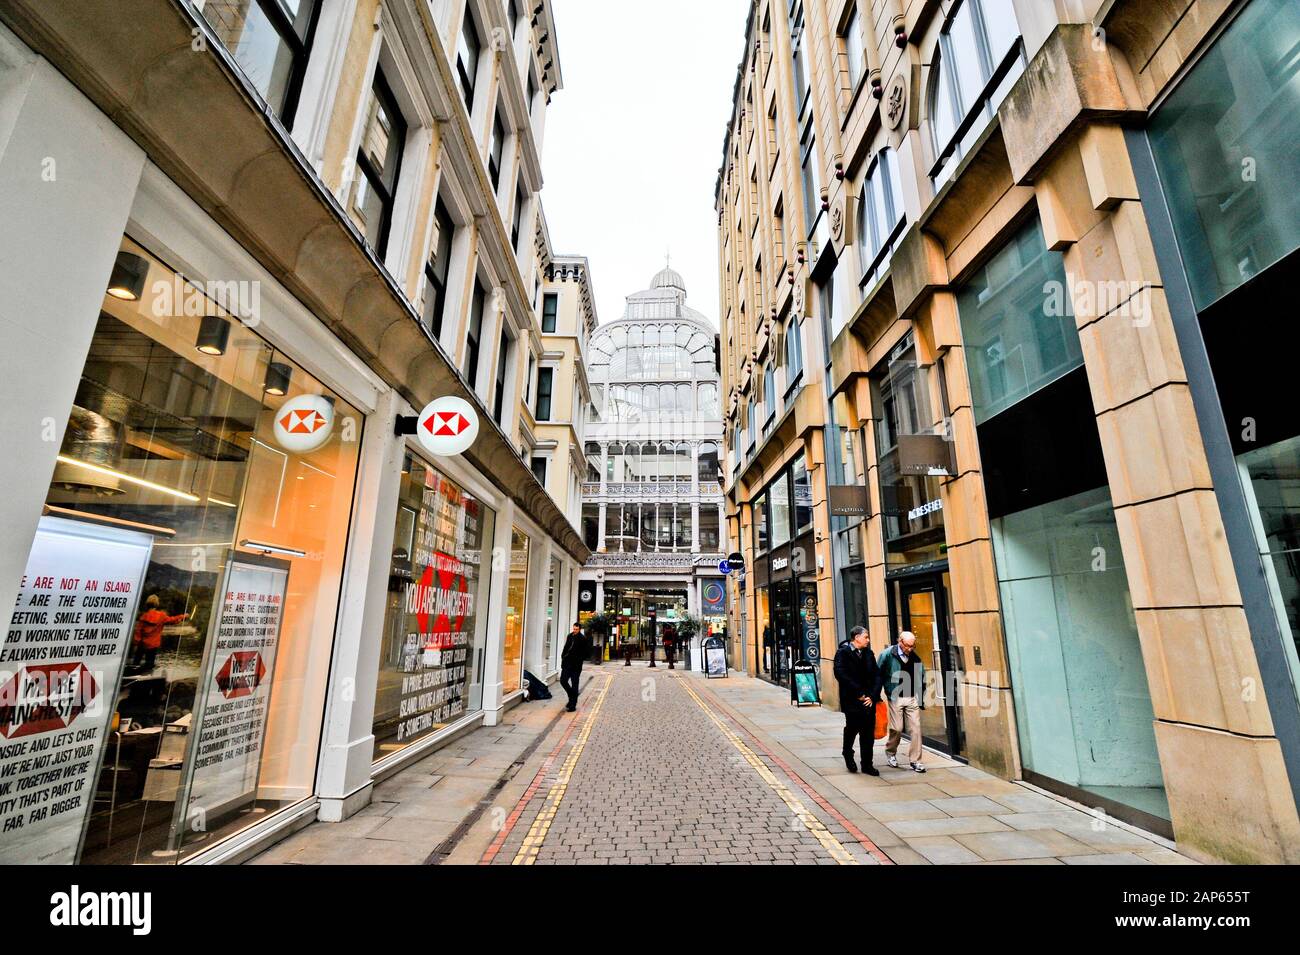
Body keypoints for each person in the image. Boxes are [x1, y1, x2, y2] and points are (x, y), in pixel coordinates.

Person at [833, 626, 882, 775]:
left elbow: (877, 675)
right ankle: (848, 753)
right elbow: (841, 674)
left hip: (868, 700)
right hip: (852, 700)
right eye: (866, 637)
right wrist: (858, 693)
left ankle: (867, 765)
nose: (868, 640)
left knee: (868, 734)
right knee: (852, 729)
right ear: (856, 637)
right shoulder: (843, 653)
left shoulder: (868, 653)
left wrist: (872, 696)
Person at [878, 630, 926, 772]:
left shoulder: (915, 657)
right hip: (895, 696)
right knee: (897, 728)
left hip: (911, 697)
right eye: (907, 646)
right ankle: (890, 752)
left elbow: (921, 678)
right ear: (900, 642)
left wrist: (921, 698)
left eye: (912, 646)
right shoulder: (887, 654)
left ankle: (915, 761)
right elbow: (877, 674)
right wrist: (876, 694)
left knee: (916, 729)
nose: (910, 649)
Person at [130, 594, 187, 672]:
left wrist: (136, 644)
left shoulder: (143, 616)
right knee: (149, 664)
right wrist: (183, 616)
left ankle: (133, 671)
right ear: (157, 604)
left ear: (147, 604)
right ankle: (147, 672)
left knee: (136, 662)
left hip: (142, 644)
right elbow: (172, 620)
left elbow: (138, 632)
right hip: (153, 645)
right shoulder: (161, 616)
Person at [558, 622, 591, 712]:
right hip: (567, 664)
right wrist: (563, 657)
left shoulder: (583, 638)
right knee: (563, 680)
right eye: (574, 629)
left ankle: (573, 705)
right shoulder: (569, 636)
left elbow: (587, 653)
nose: (575, 631)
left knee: (574, 684)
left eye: (576, 629)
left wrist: (579, 659)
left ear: (579, 629)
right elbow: (565, 648)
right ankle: (571, 696)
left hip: (576, 666)